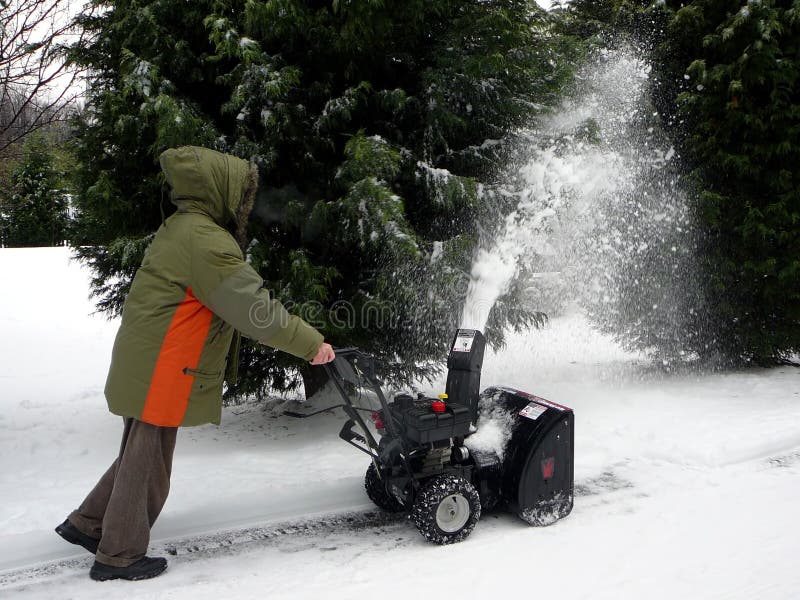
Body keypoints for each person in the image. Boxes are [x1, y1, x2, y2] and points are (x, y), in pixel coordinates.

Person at [54, 146, 335, 581]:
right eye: (240, 193)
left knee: (142, 453)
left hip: (151, 358)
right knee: (148, 463)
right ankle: (118, 555)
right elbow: (254, 310)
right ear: (218, 191)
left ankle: (89, 523)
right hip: (164, 364)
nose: (242, 202)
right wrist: (311, 344)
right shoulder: (205, 241)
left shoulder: (183, 227)